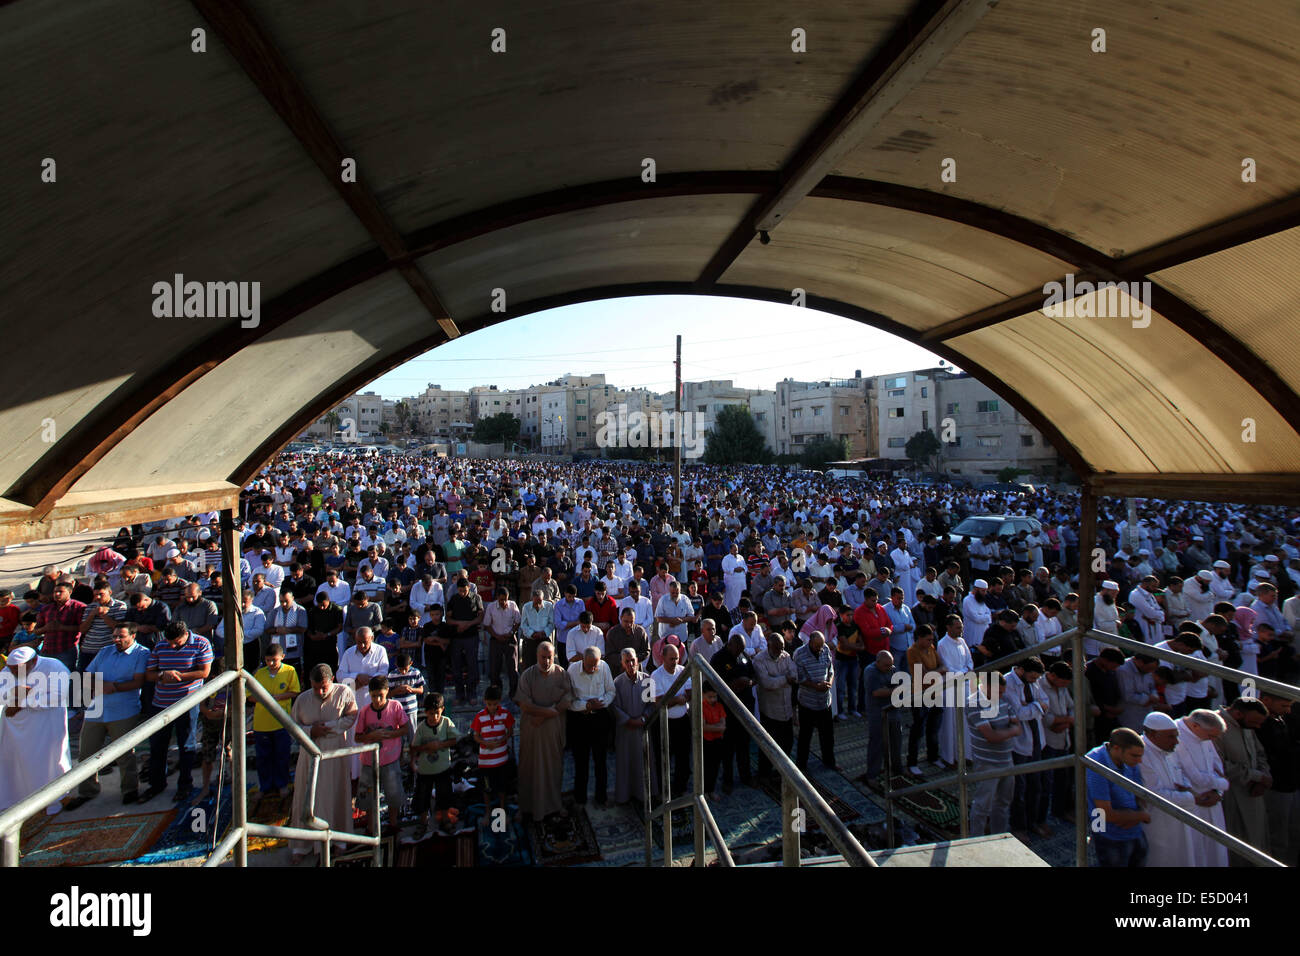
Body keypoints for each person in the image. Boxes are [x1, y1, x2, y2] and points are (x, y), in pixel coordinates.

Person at [69, 622, 148, 808]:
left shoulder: (142, 653)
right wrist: (101, 686)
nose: (117, 640)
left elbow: (138, 682)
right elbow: (87, 676)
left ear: (133, 636)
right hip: (97, 709)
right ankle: (87, 790)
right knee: (86, 753)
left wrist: (113, 687)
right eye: (114, 636)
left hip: (124, 710)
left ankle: (129, 790)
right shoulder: (105, 651)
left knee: (124, 754)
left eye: (121, 637)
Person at [289, 664, 358, 862]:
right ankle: (303, 845)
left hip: (334, 753)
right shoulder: (302, 699)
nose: (320, 691)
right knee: (306, 795)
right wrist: (311, 731)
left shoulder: (344, 692)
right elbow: (293, 726)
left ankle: (339, 841)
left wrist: (328, 728)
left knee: (336, 793)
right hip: (309, 755)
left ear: (332, 680)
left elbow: (351, 716)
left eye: (324, 687)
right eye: (316, 687)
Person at [141, 621, 213, 803]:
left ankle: (185, 785)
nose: (172, 646)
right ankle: (156, 784)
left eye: (176, 643)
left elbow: (204, 672)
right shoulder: (161, 645)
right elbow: (149, 674)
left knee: (186, 745)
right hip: (161, 703)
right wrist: (161, 675)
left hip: (187, 703)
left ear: (185, 634)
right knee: (157, 746)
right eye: (170, 642)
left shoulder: (202, 644)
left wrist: (178, 675)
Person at [0, 646, 72, 815]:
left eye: (17, 670)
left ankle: (52, 802)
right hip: (15, 731)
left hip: (46, 729)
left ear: (32, 662)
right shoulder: (9, 670)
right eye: (11, 670)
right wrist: (19, 694)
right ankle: (16, 802)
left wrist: (21, 702)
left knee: (46, 764)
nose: (14, 674)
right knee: (15, 765)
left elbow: (57, 696)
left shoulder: (54, 667)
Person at [515, 642, 572, 820]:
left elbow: (568, 699)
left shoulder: (562, 674)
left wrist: (547, 715)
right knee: (528, 769)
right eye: (543, 657)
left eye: (549, 657)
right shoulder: (527, 675)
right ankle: (526, 806)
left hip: (552, 731)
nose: (546, 661)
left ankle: (555, 804)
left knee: (553, 768)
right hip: (532, 729)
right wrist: (548, 712)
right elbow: (524, 704)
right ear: (537, 656)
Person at [1138, 711, 1200, 867]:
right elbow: (1154, 795)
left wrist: (1187, 788)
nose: (1176, 741)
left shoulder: (1170, 749)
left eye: (1176, 736)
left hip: (1178, 819)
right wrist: (1191, 798)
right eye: (1171, 737)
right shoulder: (1142, 754)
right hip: (1158, 823)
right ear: (1152, 735)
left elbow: (1180, 773)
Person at [1215, 696, 1272, 864]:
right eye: (1255, 723)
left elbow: (1260, 753)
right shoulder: (1216, 725)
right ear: (1238, 714)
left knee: (1257, 844)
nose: (1258, 727)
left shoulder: (1247, 726)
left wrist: (1263, 777)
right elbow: (1219, 764)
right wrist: (1256, 776)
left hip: (1254, 795)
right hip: (1232, 796)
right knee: (1238, 847)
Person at [1086, 727, 1151, 866]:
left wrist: (1132, 816)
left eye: (1140, 756)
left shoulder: (1129, 759)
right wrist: (1142, 816)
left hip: (1133, 830)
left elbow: (1140, 795)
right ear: (1116, 748)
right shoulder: (1096, 764)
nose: (1139, 761)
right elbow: (1105, 814)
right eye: (1135, 756)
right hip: (1108, 835)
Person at [1175, 709, 1230, 867]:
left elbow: (1217, 765)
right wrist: (1222, 784)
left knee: (1216, 851)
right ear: (1195, 726)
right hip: (1193, 803)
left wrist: (1218, 792)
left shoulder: (1205, 737)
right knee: (1196, 851)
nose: (1212, 739)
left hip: (1213, 801)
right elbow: (1192, 776)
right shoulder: (1175, 733)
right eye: (1211, 736)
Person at [356, 675, 411, 835]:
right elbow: (357, 737)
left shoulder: (395, 707)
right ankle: (371, 826)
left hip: (390, 759)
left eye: (381, 695)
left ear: (387, 692)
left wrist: (392, 734)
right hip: (369, 761)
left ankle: (393, 823)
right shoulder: (365, 712)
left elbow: (405, 728)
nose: (378, 699)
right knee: (368, 795)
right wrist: (371, 736)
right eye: (374, 696)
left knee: (393, 793)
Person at [967, 671, 1019, 836]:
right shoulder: (973, 704)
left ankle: (999, 836)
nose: (1001, 695)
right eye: (998, 692)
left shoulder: (1003, 699)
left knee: (1003, 803)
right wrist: (1009, 731)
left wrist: (1001, 733)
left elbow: (1017, 726)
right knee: (982, 806)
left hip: (1006, 760)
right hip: (987, 763)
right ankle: (975, 841)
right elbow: (991, 736)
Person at [251, 643, 299, 806]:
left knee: (282, 755)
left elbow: (295, 691)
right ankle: (264, 785)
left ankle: (282, 784)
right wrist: (264, 699)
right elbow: (249, 696)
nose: (271, 664)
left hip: (281, 721)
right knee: (263, 757)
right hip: (262, 723)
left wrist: (278, 697)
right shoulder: (259, 674)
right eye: (268, 660)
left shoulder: (289, 671)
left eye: (274, 660)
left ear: (282, 657)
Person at [567, 646, 616, 806]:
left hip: (600, 719)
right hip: (580, 720)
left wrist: (601, 703)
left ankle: (601, 796)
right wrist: (586, 706)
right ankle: (580, 797)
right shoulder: (572, 671)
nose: (593, 669)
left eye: (596, 665)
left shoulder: (604, 667)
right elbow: (569, 701)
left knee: (600, 760)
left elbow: (611, 691)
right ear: (582, 660)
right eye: (590, 666)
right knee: (581, 761)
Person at [410, 692, 458, 839]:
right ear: (425, 713)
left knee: (444, 795)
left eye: (437, 713)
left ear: (442, 710)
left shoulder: (446, 722)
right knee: (423, 797)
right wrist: (426, 748)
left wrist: (440, 745)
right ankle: (423, 822)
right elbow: (414, 747)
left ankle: (444, 819)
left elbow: (454, 739)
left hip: (443, 768)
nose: (434, 717)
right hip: (425, 770)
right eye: (431, 714)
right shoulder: (422, 728)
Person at [611, 648, 654, 808]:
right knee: (625, 763)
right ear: (622, 664)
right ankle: (624, 795)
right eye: (626, 661)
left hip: (642, 729)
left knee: (643, 762)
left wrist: (643, 718)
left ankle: (644, 795)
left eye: (633, 661)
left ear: (638, 661)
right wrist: (629, 720)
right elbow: (615, 708)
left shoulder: (647, 680)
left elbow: (651, 705)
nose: (630, 664)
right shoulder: (617, 683)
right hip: (625, 731)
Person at [649, 643, 693, 795]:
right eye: (671, 659)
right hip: (664, 723)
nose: (675, 662)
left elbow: (690, 693)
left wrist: (677, 699)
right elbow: (658, 702)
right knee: (664, 758)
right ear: (663, 658)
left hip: (682, 720)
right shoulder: (655, 676)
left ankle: (681, 787)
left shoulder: (682, 670)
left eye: (677, 658)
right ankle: (663, 789)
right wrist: (676, 700)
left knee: (683, 756)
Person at [753, 630, 797, 780]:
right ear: (769, 646)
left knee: (787, 743)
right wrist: (785, 679)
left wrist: (778, 679)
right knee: (768, 745)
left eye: (782, 647)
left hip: (786, 709)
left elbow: (794, 674)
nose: (780, 651)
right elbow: (767, 683)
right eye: (777, 648)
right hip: (770, 710)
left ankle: (781, 771)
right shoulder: (759, 660)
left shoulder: (786, 656)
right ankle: (764, 774)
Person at [793, 630, 836, 772]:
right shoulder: (799, 654)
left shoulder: (825, 649)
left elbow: (831, 669)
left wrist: (829, 682)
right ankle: (801, 766)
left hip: (824, 701)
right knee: (805, 736)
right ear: (810, 642)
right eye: (817, 646)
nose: (820, 648)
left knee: (828, 736)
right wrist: (816, 686)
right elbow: (799, 677)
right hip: (807, 702)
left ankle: (829, 762)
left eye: (821, 645)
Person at [472, 684, 515, 826]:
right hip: (485, 762)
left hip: (501, 760)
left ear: (499, 701)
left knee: (502, 788)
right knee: (487, 789)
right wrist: (486, 743)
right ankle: (487, 812)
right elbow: (476, 736)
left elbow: (510, 731)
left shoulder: (505, 714)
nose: (492, 707)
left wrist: (502, 740)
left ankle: (502, 813)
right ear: (485, 701)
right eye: (489, 704)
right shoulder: (479, 717)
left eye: (495, 704)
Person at [863, 650, 902, 784]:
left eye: (891, 665)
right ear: (877, 662)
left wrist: (890, 690)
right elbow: (877, 692)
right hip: (877, 712)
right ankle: (872, 774)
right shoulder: (870, 671)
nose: (889, 668)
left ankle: (897, 769)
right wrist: (894, 690)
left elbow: (900, 684)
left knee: (896, 741)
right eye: (886, 666)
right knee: (877, 743)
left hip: (893, 710)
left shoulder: (892, 668)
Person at [700, 683, 727, 801]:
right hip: (706, 741)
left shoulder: (719, 706)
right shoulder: (700, 707)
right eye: (709, 697)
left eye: (714, 697)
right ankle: (703, 791)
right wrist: (717, 727)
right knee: (705, 766)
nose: (712, 700)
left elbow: (723, 725)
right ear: (703, 695)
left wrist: (711, 726)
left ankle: (711, 789)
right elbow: (703, 727)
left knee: (715, 766)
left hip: (717, 741)